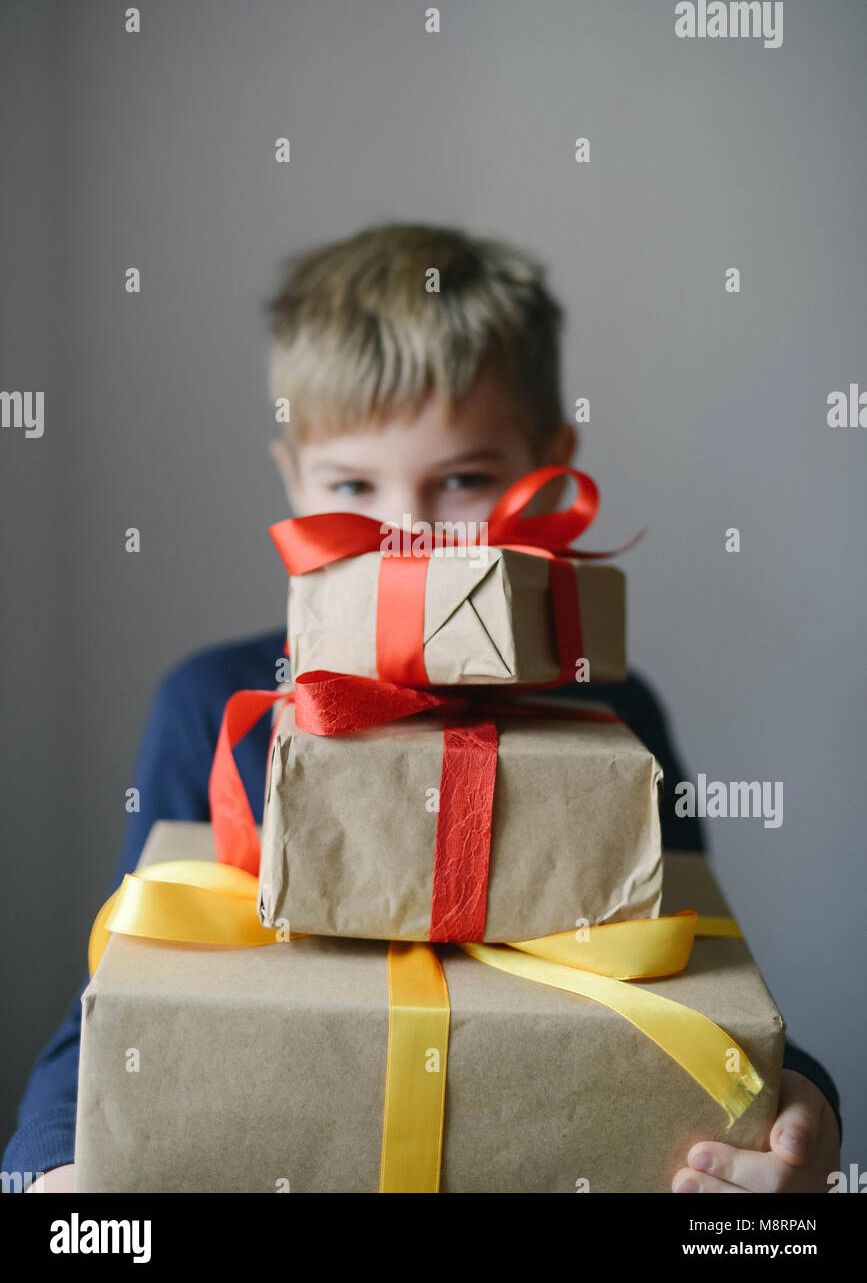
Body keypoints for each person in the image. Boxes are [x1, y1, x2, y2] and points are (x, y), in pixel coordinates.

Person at [4, 223, 841, 1194]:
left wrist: (801, 1109)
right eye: (354, 486)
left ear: (549, 474)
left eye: (463, 480)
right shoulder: (211, 708)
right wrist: (54, 1170)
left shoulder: (610, 709)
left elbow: (704, 979)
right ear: (294, 480)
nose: (406, 535)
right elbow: (119, 1003)